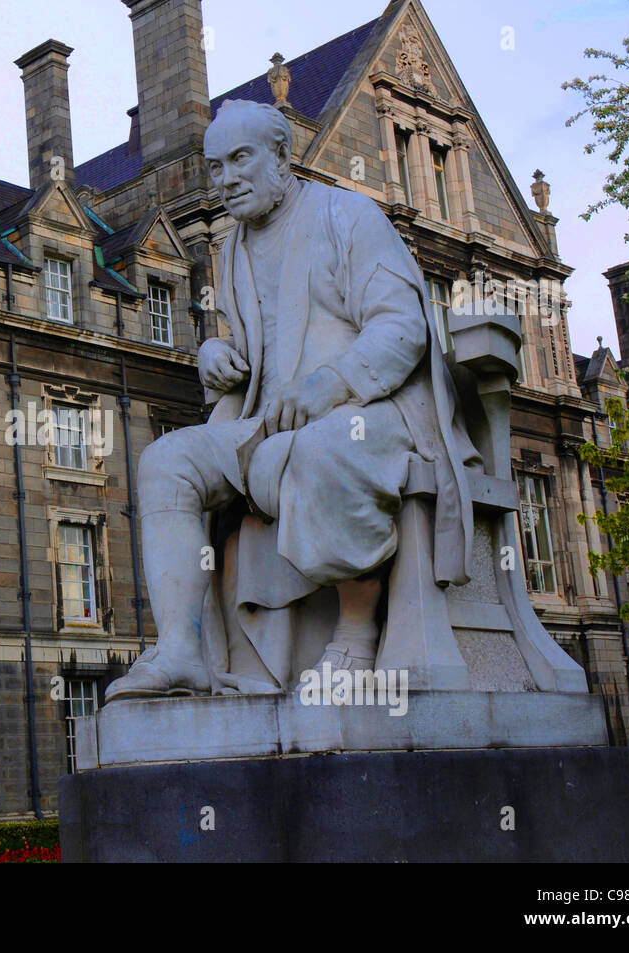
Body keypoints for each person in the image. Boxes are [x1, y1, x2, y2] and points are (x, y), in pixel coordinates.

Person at [105, 99, 478, 700]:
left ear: (281, 156)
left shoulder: (348, 215)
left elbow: (402, 326)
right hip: (264, 422)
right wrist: (214, 357)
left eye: (240, 159)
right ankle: (181, 650)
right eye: (215, 166)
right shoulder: (232, 252)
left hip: (367, 410)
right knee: (164, 462)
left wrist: (331, 383)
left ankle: (355, 635)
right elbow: (258, 349)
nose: (225, 179)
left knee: (327, 447)